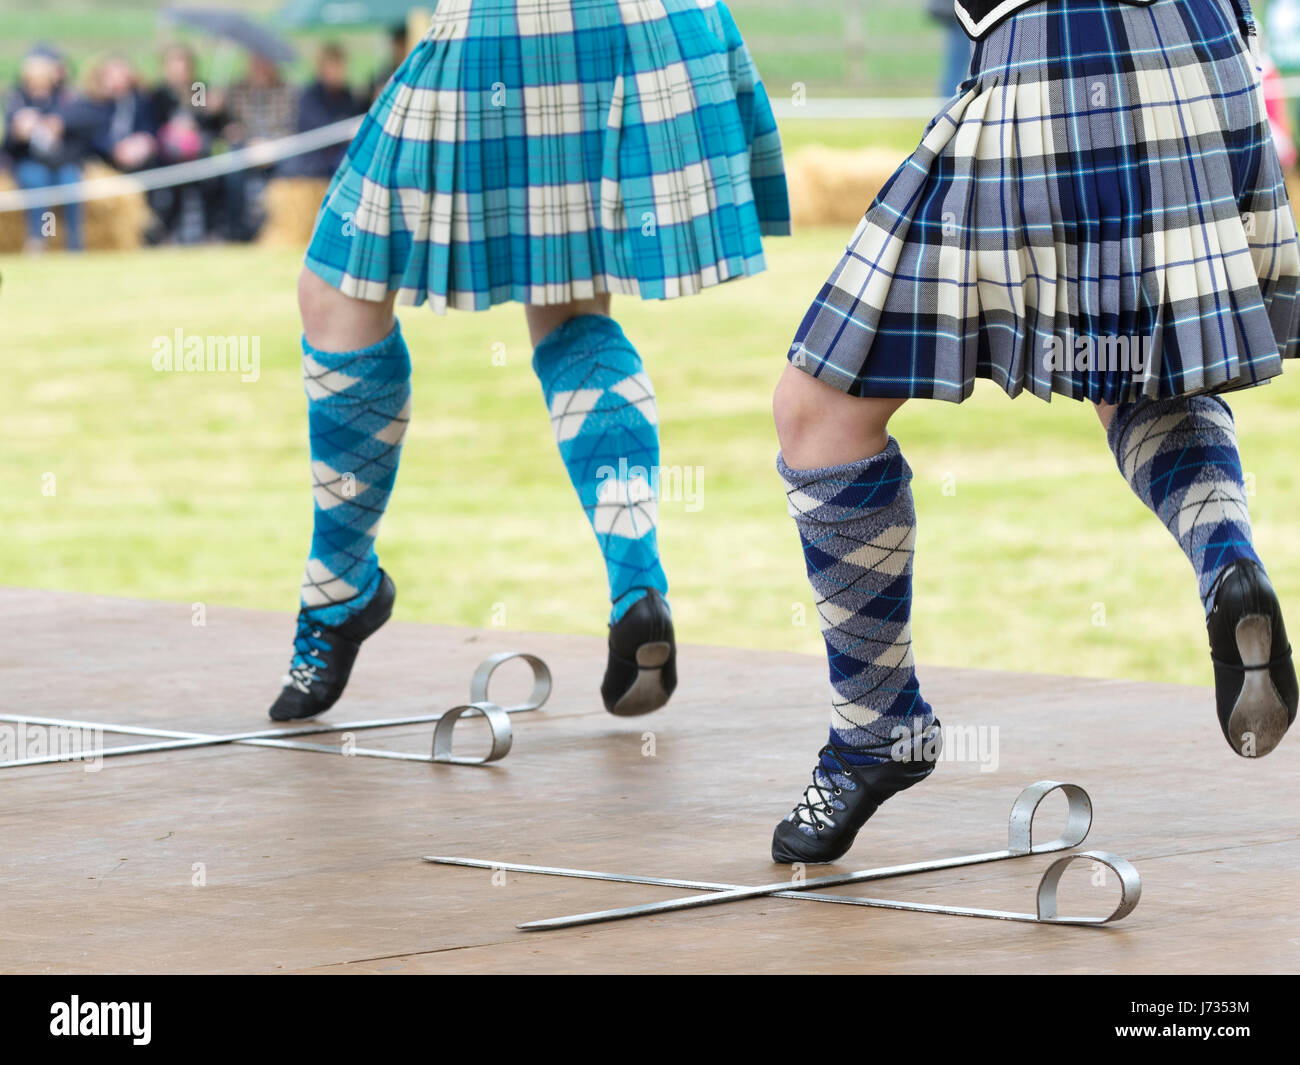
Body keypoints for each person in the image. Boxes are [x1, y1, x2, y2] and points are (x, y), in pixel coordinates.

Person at [769, 0, 1300, 865]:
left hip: (1054, 56)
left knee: (819, 410)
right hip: (1205, 61)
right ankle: (1227, 563)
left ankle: (877, 727)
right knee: (1138, 364)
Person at [266, 0, 789, 722]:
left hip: (509, 30)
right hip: (647, 26)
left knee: (336, 291)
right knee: (570, 306)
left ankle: (339, 587)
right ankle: (637, 587)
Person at [2, 46, 90, 252]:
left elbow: (80, 134)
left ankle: (74, 242)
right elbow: (8, 145)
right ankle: (41, 238)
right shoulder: (16, 99)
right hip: (31, 160)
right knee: (37, 184)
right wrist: (18, 133)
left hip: (62, 160)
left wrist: (59, 124)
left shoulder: (66, 99)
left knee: (69, 183)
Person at [219, 52, 297, 240]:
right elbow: (223, 123)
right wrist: (210, 103)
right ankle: (237, 229)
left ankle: (275, 228)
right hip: (247, 147)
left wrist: (270, 144)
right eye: (256, 63)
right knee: (232, 171)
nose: (260, 68)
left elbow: (292, 126)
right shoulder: (236, 90)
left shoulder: (288, 91)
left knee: (292, 170)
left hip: (278, 148)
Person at [279, 43, 363, 180]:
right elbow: (320, 130)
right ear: (321, 68)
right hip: (314, 161)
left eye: (339, 66)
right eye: (332, 66)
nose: (336, 72)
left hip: (338, 156)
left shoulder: (347, 95)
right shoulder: (310, 96)